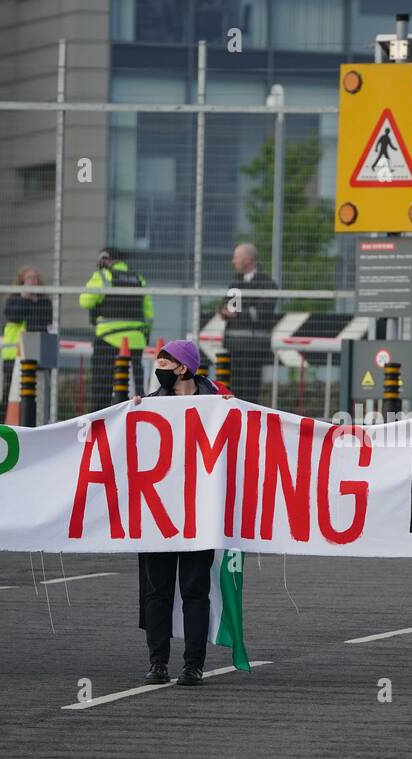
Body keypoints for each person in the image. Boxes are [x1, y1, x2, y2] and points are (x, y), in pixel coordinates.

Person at [130, 340, 229, 686]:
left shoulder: (218, 403)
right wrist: (131, 413)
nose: (159, 371)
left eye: (163, 364)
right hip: (157, 514)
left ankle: (193, 665)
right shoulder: (150, 405)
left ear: (183, 368)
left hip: (198, 516)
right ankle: (158, 661)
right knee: (156, 592)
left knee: (194, 592)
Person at [80, 248, 152, 412]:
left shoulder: (103, 276)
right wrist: (143, 334)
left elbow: (85, 301)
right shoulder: (138, 278)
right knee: (135, 387)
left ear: (106, 260)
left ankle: (101, 425)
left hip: (108, 339)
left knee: (102, 387)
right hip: (135, 340)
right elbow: (148, 313)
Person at [216, 242, 277, 403]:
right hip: (235, 346)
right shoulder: (235, 283)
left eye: (237, 257)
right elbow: (228, 304)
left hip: (254, 347)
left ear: (248, 259)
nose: (233, 261)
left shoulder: (267, 284)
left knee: (251, 391)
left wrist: (236, 315)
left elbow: (263, 312)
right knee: (235, 390)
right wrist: (223, 311)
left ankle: (250, 424)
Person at [0, 266, 53, 423]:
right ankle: (1, 422)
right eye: (29, 278)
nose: (33, 281)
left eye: (35, 277)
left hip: (37, 352)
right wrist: (25, 298)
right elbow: (15, 316)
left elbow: (46, 322)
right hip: (14, 355)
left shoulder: (43, 302)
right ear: (21, 282)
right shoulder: (14, 300)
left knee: (37, 393)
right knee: (10, 394)